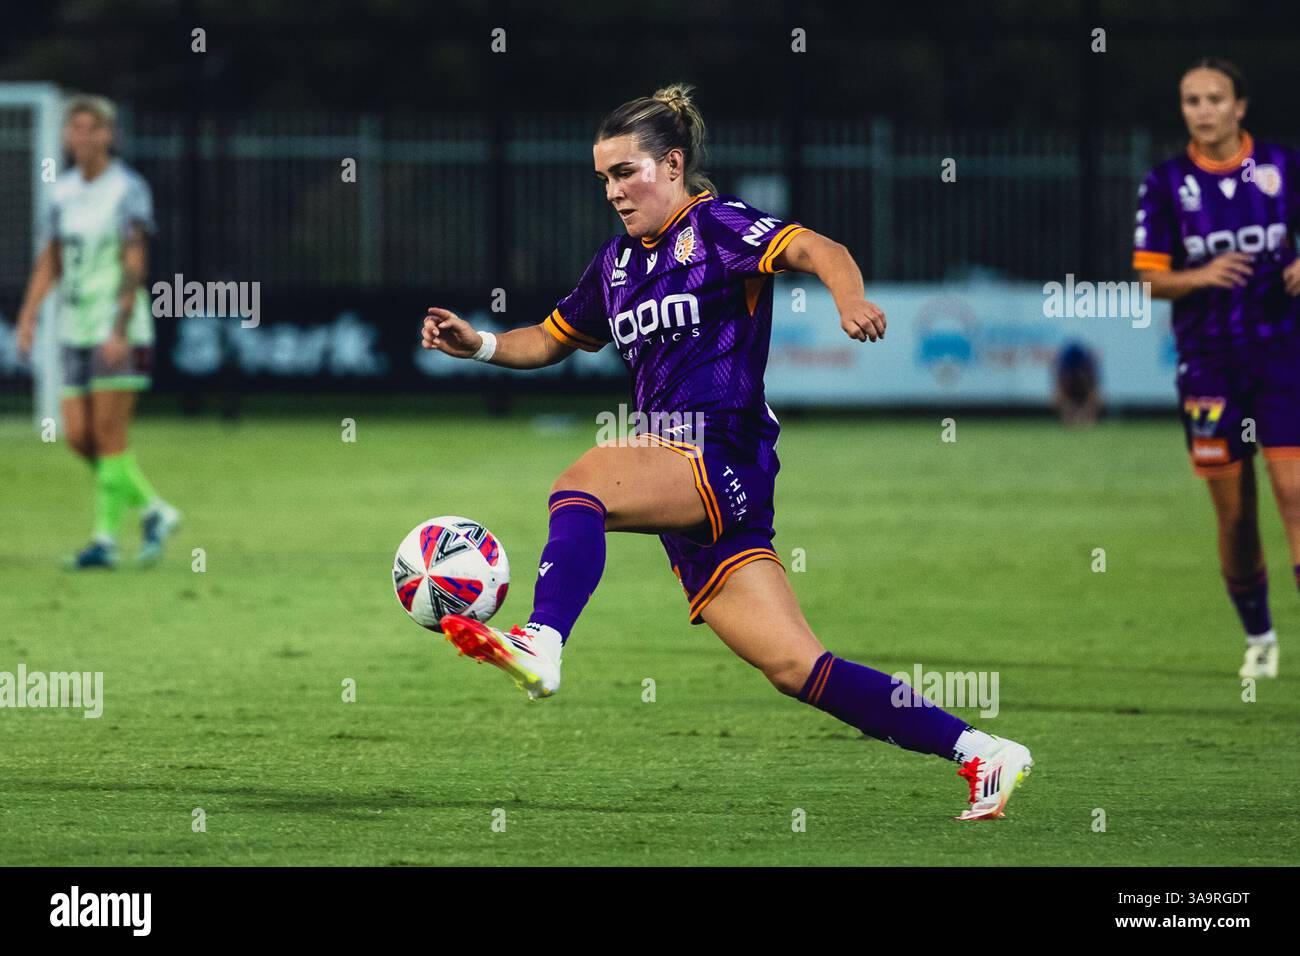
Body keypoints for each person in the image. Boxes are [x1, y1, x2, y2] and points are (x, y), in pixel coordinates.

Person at [420, 85, 1032, 821]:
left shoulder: (716, 225)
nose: (613, 191)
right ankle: (981, 752)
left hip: (720, 452)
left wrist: (848, 296)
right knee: (798, 667)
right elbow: (551, 339)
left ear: (673, 164)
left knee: (582, 482)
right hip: (687, 486)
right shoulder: (614, 264)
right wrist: (479, 344)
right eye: (604, 178)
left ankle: (543, 638)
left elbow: (818, 248)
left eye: (626, 172)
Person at [1133, 58, 1300, 679]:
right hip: (1208, 366)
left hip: (1285, 354)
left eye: (1214, 98)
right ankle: (1259, 633)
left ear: (1241, 106)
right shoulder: (1165, 184)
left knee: (1295, 497)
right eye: (1190, 100)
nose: (1202, 110)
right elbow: (1148, 278)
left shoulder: (1283, 168)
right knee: (1236, 514)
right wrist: (1199, 275)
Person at [15, 94, 180, 569]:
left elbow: (134, 261)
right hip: (74, 328)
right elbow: (52, 258)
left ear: (108, 134)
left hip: (118, 329)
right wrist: (29, 315)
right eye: (74, 129)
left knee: (109, 435)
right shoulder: (62, 191)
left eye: (91, 128)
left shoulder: (127, 188)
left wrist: (119, 326)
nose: (81, 137)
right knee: (78, 436)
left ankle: (104, 541)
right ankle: (154, 509)